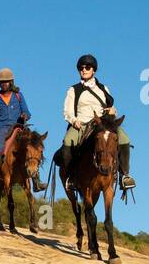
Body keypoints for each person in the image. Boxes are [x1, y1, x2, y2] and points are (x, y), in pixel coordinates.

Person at [54, 54, 136, 189]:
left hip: (102, 123)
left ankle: (125, 175)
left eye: (87, 67)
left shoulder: (103, 88)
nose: (84, 70)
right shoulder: (74, 90)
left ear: (94, 70)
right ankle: (71, 177)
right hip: (82, 123)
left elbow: (110, 107)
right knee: (68, 141)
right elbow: (67, 111)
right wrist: (74, 121)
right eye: (81, 68)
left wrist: (112, 111)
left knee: (125, 139)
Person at [0, 67, 47, 190]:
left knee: (33, 144)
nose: (4, 84)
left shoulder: (19, 96)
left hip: (20, 126)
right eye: (2, 82)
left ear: (11, 82)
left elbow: (26, 111)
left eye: (6, 81)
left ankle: (36, 180)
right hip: (4, 128)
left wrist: (25, 115)